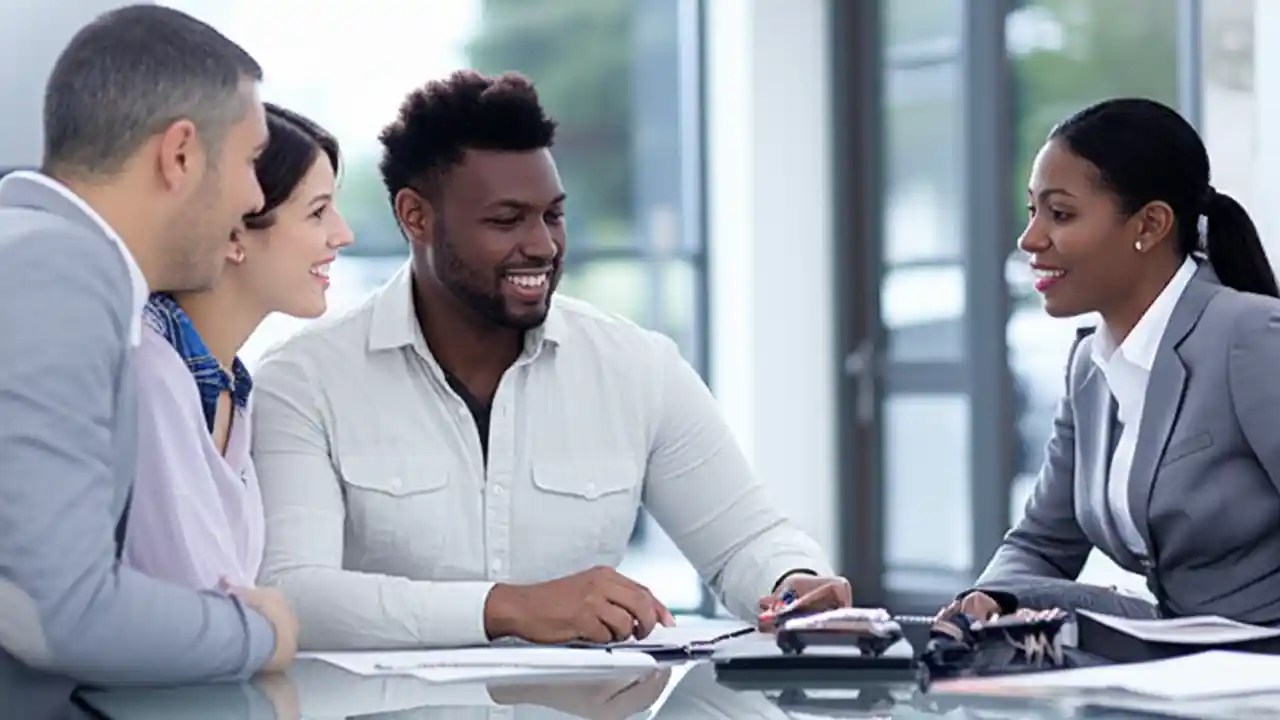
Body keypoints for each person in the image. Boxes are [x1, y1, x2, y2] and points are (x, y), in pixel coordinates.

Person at [251, 70, 852, 650]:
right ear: (416, 217)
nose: (541, 245)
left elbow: (745, 539)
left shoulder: (638, 368)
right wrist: (512, 606)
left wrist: (791, 584)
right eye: (506, 220)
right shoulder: (304, 380)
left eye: (553, 215)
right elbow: (294, 595)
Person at [0, 5, 297, 683]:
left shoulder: (31, 252)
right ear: (181, 154)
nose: (254, 198)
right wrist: (260, 632)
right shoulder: (59, 272)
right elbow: (56, 611)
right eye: (253, 161)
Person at [941, 97, 1280, 624]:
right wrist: (984, 604)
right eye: (1033, 211)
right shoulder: (1089, 367)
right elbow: (1042, 543)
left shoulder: (1248, 336)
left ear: (1149, 225)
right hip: (1179, 677)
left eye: (1061, 213)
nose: (1030, 238)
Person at [124, 104, 354, 591]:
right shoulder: (149, 369)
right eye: (317, 212)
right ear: (233, 233)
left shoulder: (232, 387)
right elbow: (197, 599)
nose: (342, 234)